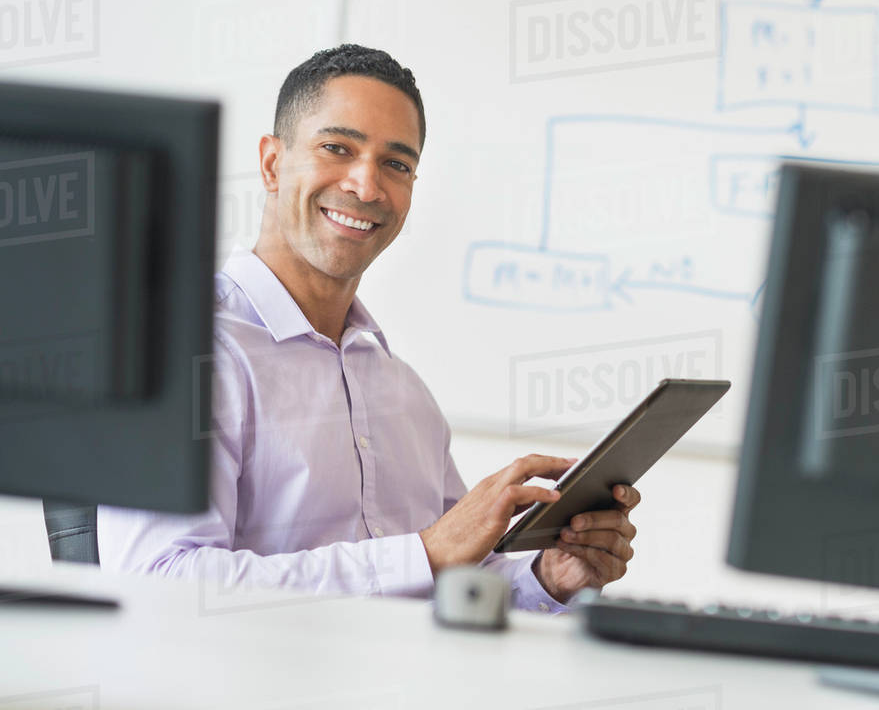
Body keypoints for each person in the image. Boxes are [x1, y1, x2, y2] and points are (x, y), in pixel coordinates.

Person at [97, 44, 639, 612]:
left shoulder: (405, 395)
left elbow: (461, 580)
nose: (367, 185)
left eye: (396, 164)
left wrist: (550, 578)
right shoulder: (180, 353)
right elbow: (159, 581)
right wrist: (426, 553)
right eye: (338, 148)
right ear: (272, 164)